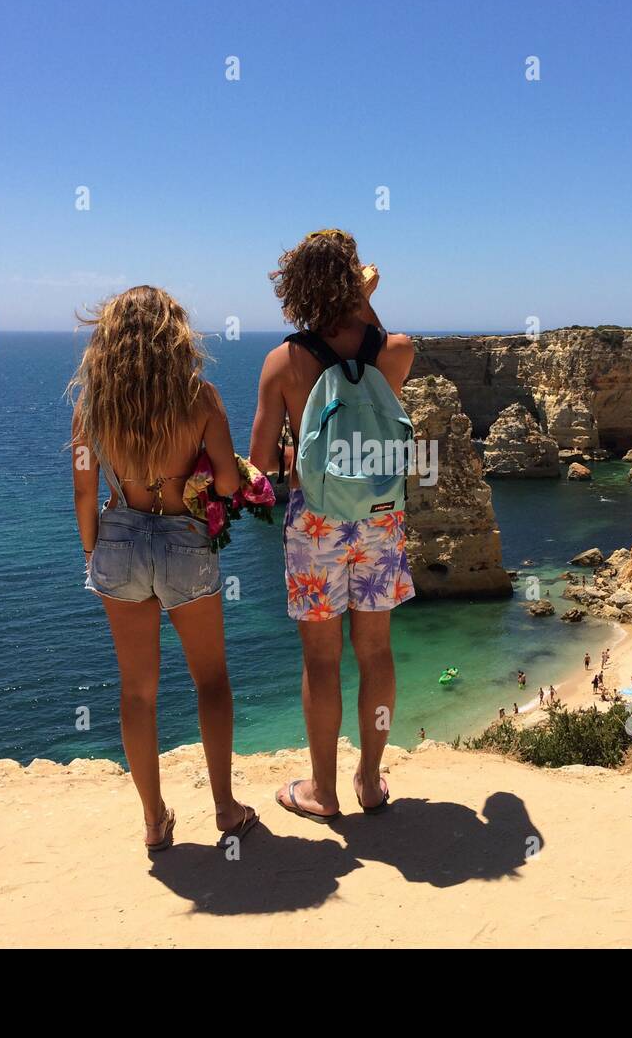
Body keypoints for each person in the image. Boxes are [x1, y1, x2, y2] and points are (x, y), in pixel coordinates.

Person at [69, 285, 257, 851]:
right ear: (175, 337)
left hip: (119, 539)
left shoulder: (92, 407)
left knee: (137, 691)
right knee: (212, 681)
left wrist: (92, 554)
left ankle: (154, 821)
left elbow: (82, 493)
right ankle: (224, 809)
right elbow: (227, 481)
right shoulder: (201, 399)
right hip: (183, 540)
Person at [250, 228, 414, 822]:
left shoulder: (283, 362)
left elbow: (261, 464)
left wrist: (296, 456)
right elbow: (380, 347)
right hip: (379, 518)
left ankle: (322, 791)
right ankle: (369, 780)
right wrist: (363, 301)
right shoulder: (396, 351)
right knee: (376, 652)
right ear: (356, 282)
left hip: (316, 524)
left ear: (294, 289)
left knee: (322, 662)